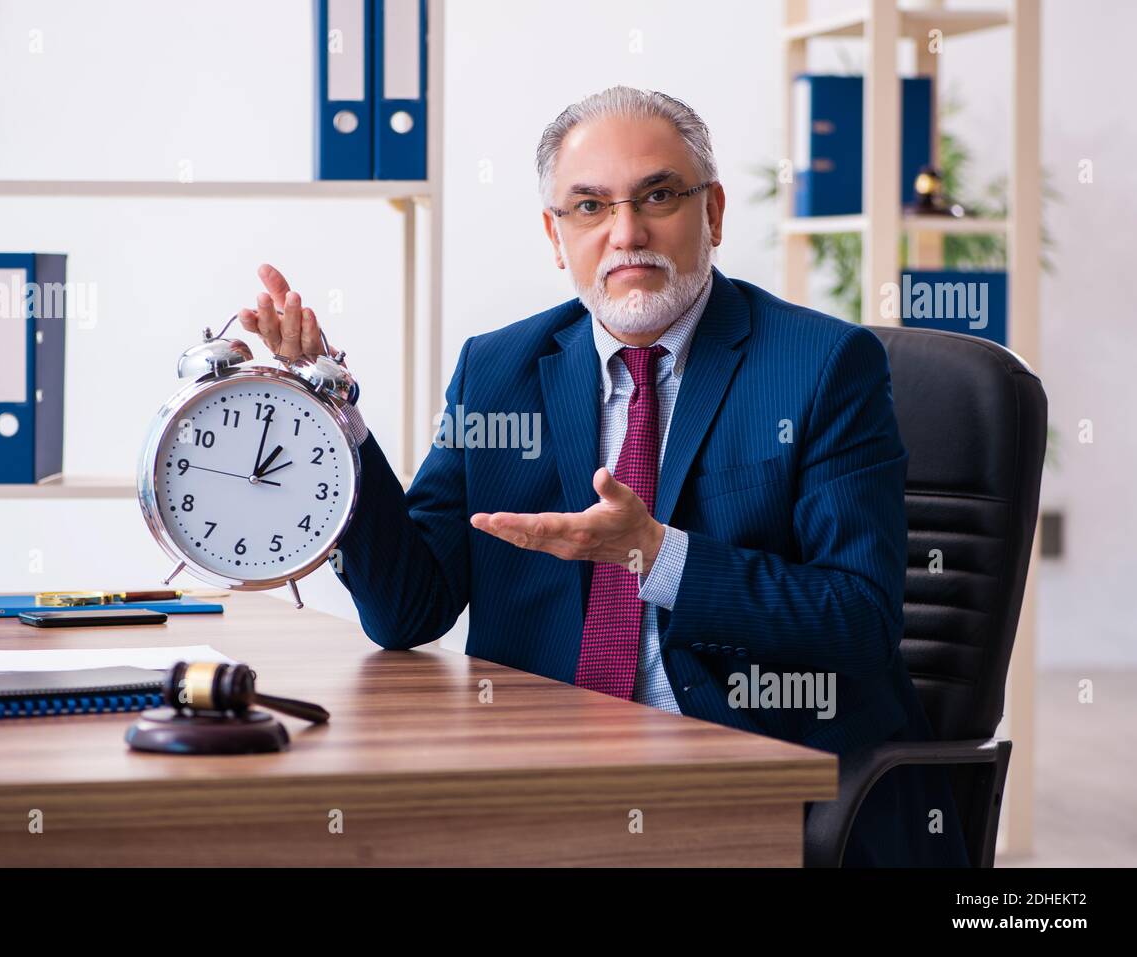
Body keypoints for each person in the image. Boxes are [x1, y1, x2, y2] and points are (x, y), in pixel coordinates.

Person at [238, 86, 969, 867]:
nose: (627, 232)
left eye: (658, 195)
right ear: (556, 236)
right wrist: (330, 412)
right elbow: (409, 610)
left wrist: (658, 556)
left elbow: (859, 619)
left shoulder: (822, 367)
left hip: (753, 777)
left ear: (713, 213)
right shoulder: (498, 372)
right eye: (589, 207)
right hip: (549, 779)